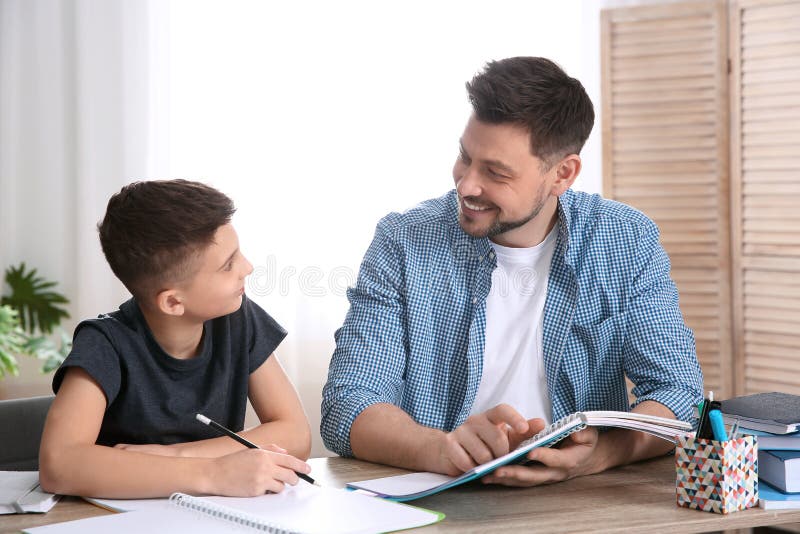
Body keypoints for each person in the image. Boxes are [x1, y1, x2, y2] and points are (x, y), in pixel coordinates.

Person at [321, 57, 703, 486]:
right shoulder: (404, 241)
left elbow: (678, 396)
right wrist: (442, 450)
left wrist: (600, 455)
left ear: (563, 173)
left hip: (581, 504)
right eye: (465, 157)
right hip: (441, 503)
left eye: (496, 173)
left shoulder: (624, 240)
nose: (466, 184)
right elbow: (348, 406)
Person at [39, 179, 312, 498]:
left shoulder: (238, 318)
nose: (248, 268)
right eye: (228, 266)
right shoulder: (105, 342)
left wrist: (176, 456)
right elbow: (59, 464)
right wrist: (214, 473)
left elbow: (295, 434)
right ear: (172, 302)